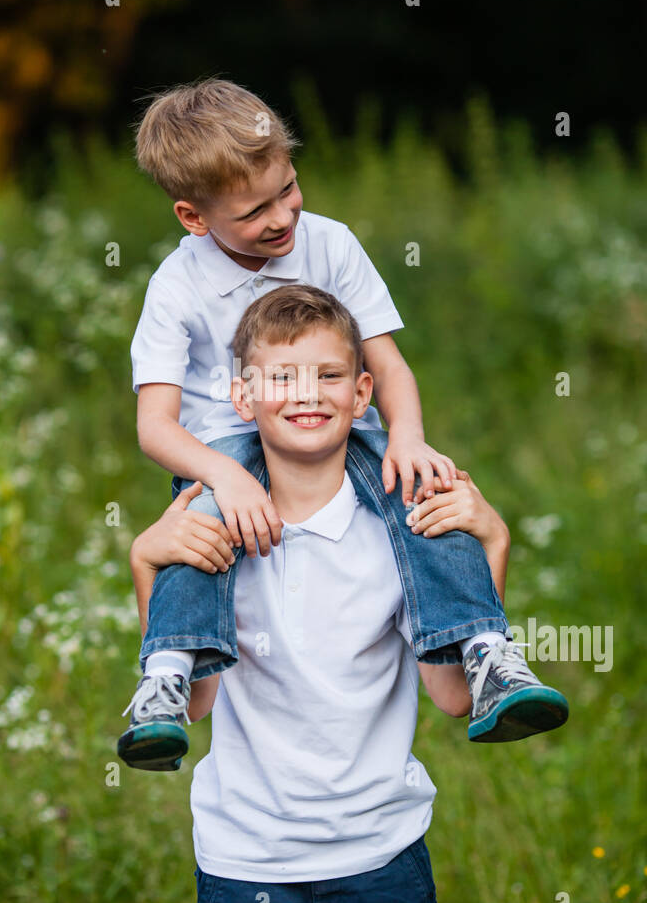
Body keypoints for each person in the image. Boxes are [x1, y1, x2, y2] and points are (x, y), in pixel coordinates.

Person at [118, 79, 567, 770]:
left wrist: (409, 438)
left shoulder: (329, 244)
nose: (281, 216)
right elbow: (156, 425)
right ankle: (166, 679)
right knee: (197, 526)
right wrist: (225, 475)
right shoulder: (177, 287)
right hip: (224, 450)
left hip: (336, 427)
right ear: (194, 217)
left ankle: (486, 655)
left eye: (287, 188)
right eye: (254, 210)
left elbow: (388, 368)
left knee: (420, 490)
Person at [126, 287, 532, 903]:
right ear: (244, 397)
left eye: (328, 376)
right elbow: (194, 707)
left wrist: (494, 544)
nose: (306, 395)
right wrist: (144, 562)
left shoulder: (405, 528)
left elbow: (450, 697)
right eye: (282, 378)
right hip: (248, 860)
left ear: (363, 393)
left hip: (380, 856)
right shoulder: (213, 525)